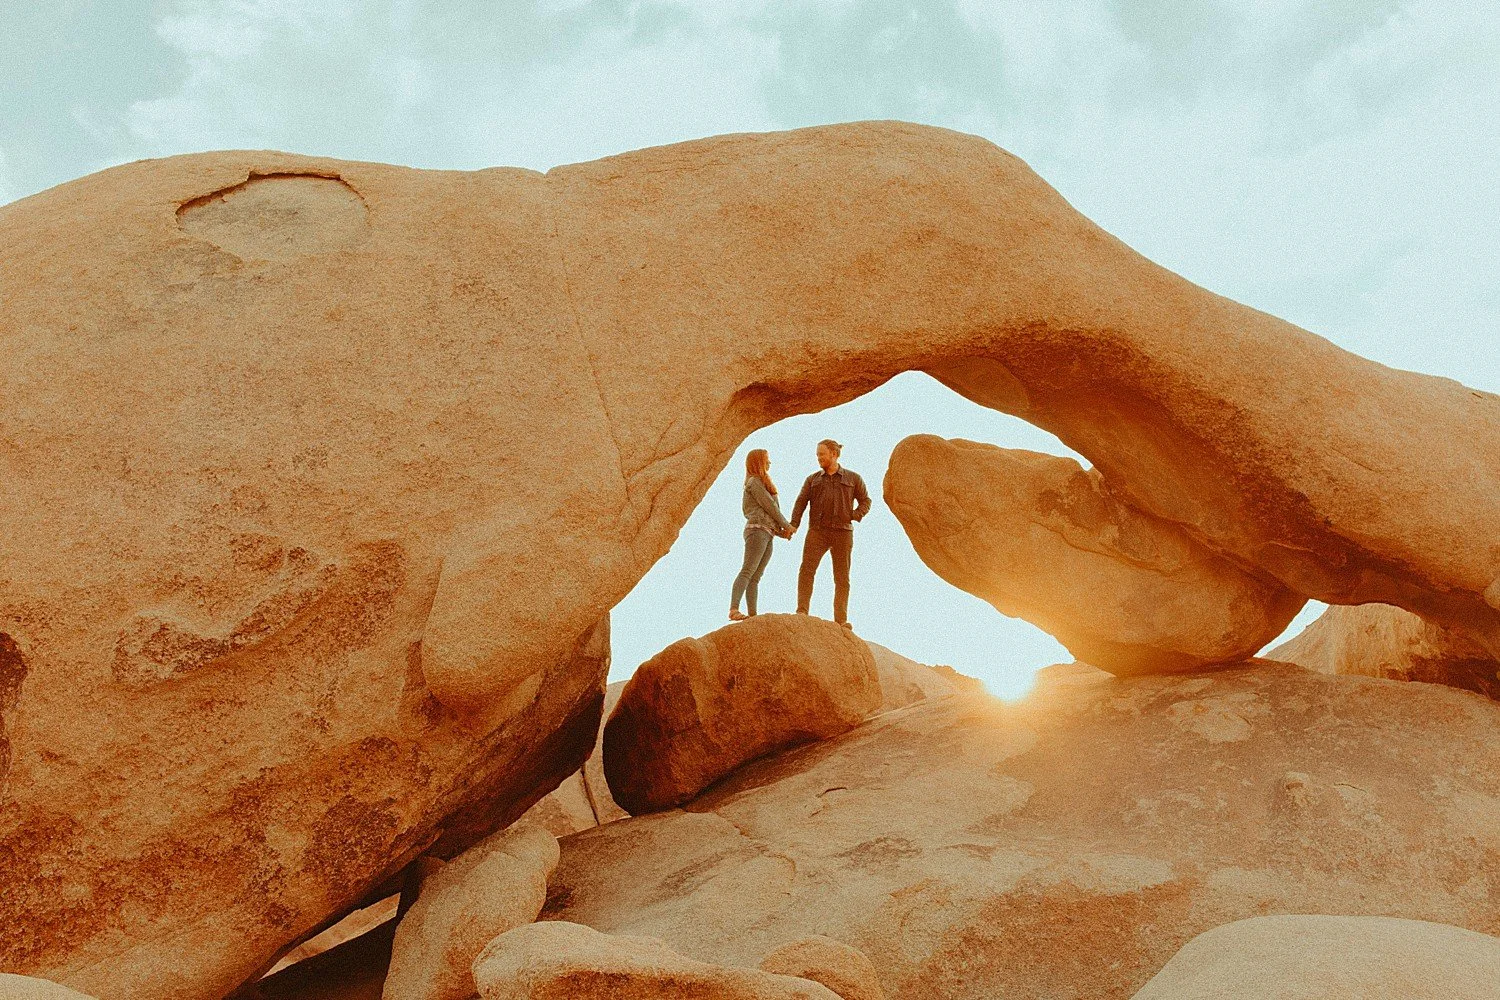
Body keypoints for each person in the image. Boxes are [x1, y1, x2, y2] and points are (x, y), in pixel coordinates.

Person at [789, 439, 871, 628]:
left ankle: (841, 620)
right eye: (817, 454)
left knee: (842, 577)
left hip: (843, 533)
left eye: (822, 454)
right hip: (817, 531)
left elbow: (866, 500)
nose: (818, 458)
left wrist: (854, 515)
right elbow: (800, 502)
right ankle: (802, 610)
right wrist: (794, 524)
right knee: (807, 570)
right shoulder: (812, 479)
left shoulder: (853, 478)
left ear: (833, 454)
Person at [730, 448, 793, 621]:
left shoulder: (763, 483)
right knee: (748, 570)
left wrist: (781, 532)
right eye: (767, 459)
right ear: (759, 462)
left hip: (767, 532)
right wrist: (786, 525)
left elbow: (770, 513)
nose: (769, 463)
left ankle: (752, 616)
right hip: (757, 530)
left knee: (756, 576)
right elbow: (769, 506)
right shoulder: (754, 482)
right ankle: (734, 609)